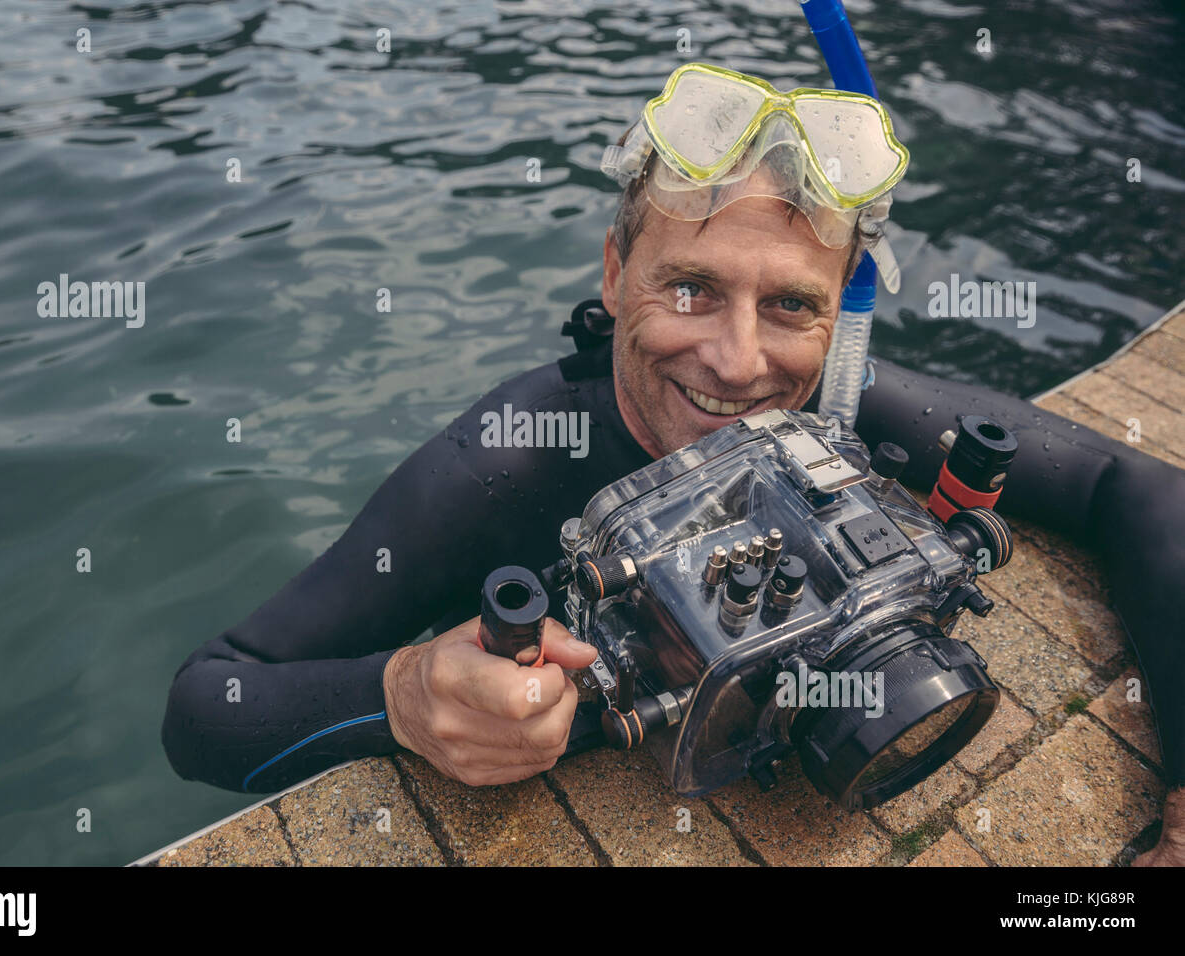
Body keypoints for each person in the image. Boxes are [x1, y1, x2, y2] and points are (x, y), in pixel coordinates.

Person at [162, 63, 1184, 865]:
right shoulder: (505, 461)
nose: (739, 362)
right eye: (689, 288)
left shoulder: (836, 399)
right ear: (613, 274)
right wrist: (398, 693)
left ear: (841, 319)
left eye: (789, 305)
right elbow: (205, 706)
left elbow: (1127, 482)